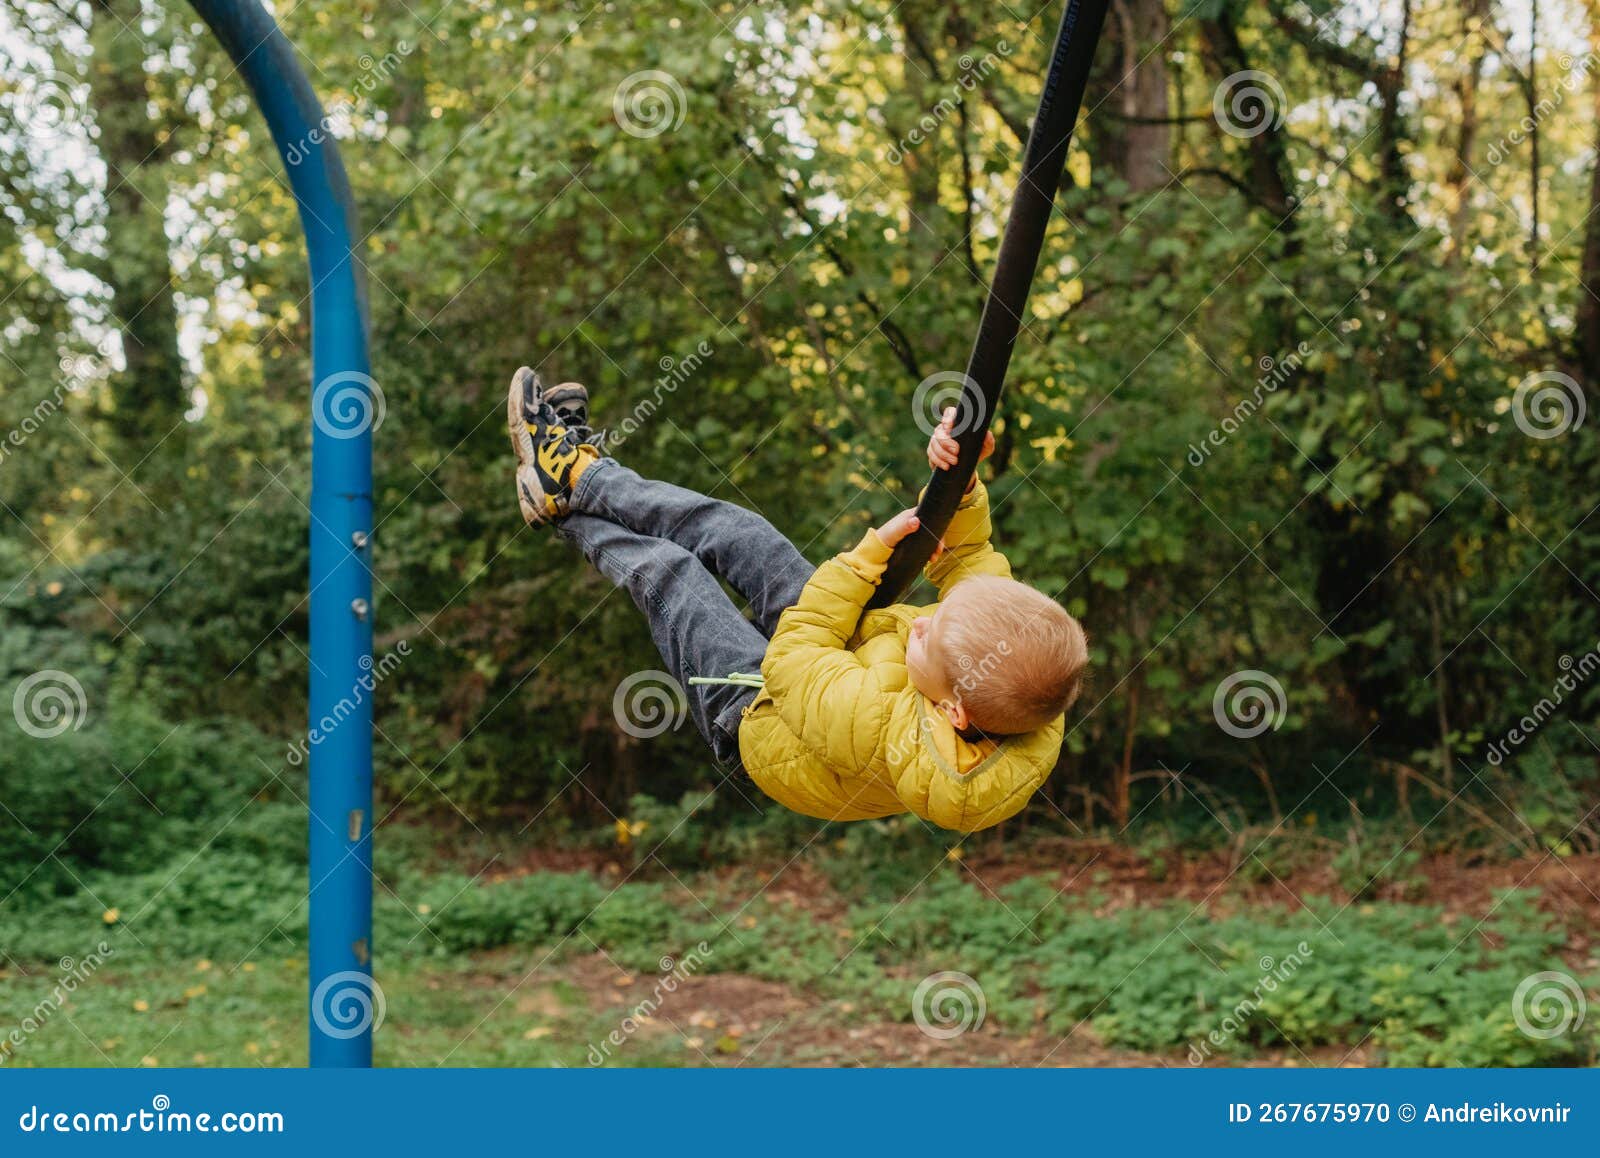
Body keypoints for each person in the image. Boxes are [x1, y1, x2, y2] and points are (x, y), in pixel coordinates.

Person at [506, 368, 1088, 833]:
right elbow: (969, 558)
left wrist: (865, 560)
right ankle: (580, 475)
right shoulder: (1020, 668)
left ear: (952, 714)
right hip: (842, 651)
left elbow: (792, 655)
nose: (920, 623)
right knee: (743, 534)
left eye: (927, 636)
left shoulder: (874, 724)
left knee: (671, 573)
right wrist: (959, 476)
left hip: (767, 713)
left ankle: (564, 502)